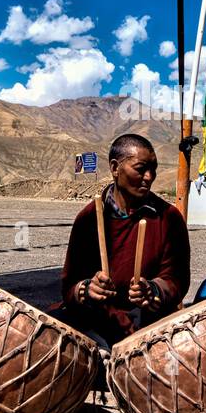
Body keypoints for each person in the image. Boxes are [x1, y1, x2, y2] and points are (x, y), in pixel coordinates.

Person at [58, 134, 190, 349]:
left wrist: (154, 290)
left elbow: (177, 279)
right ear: (115, 168)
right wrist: (87, 290)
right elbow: (70, 284)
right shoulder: (89, 217)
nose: (149, 177)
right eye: (140, 169)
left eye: (153, 169)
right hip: (98, 321)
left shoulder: (169, 218)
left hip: (148, 323)